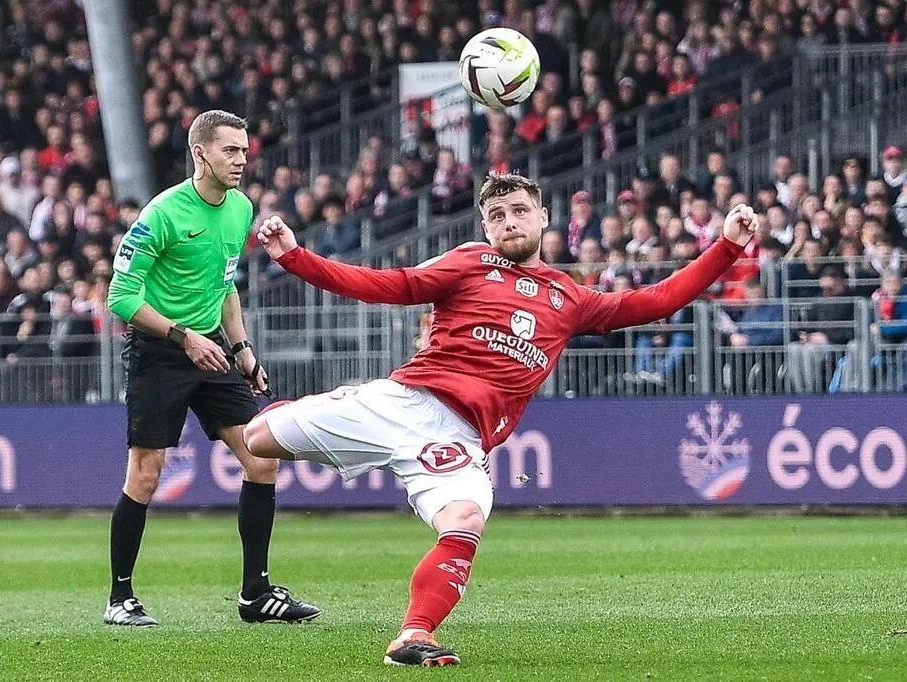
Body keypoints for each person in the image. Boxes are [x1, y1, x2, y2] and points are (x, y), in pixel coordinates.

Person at [243, 172, 757, 666]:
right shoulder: (470, 262)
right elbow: (392, 285)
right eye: (496, 215)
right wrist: (295, 257)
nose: (508, 221)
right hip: (403, 402)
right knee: (257, 438)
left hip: (460, 440)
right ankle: (306, 413)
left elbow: (654, 301)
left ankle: (414, 634)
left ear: (542, 218)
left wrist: (726, 247)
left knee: (465, 520)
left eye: (518, 211)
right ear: (486, 228)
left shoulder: (571, 297)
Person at [104, 110, 319, 627]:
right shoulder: (161, 214)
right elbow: (120, 296)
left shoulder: (240, 209)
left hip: (213, 349)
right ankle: (120, 599)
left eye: (244, 150)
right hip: (160, 352)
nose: (242, 160)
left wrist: (242, 348)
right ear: (201, 153)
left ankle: (255, 594)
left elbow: (225, 285)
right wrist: (183, 336)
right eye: (230, 150)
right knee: (146, 474)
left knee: (262, 458)